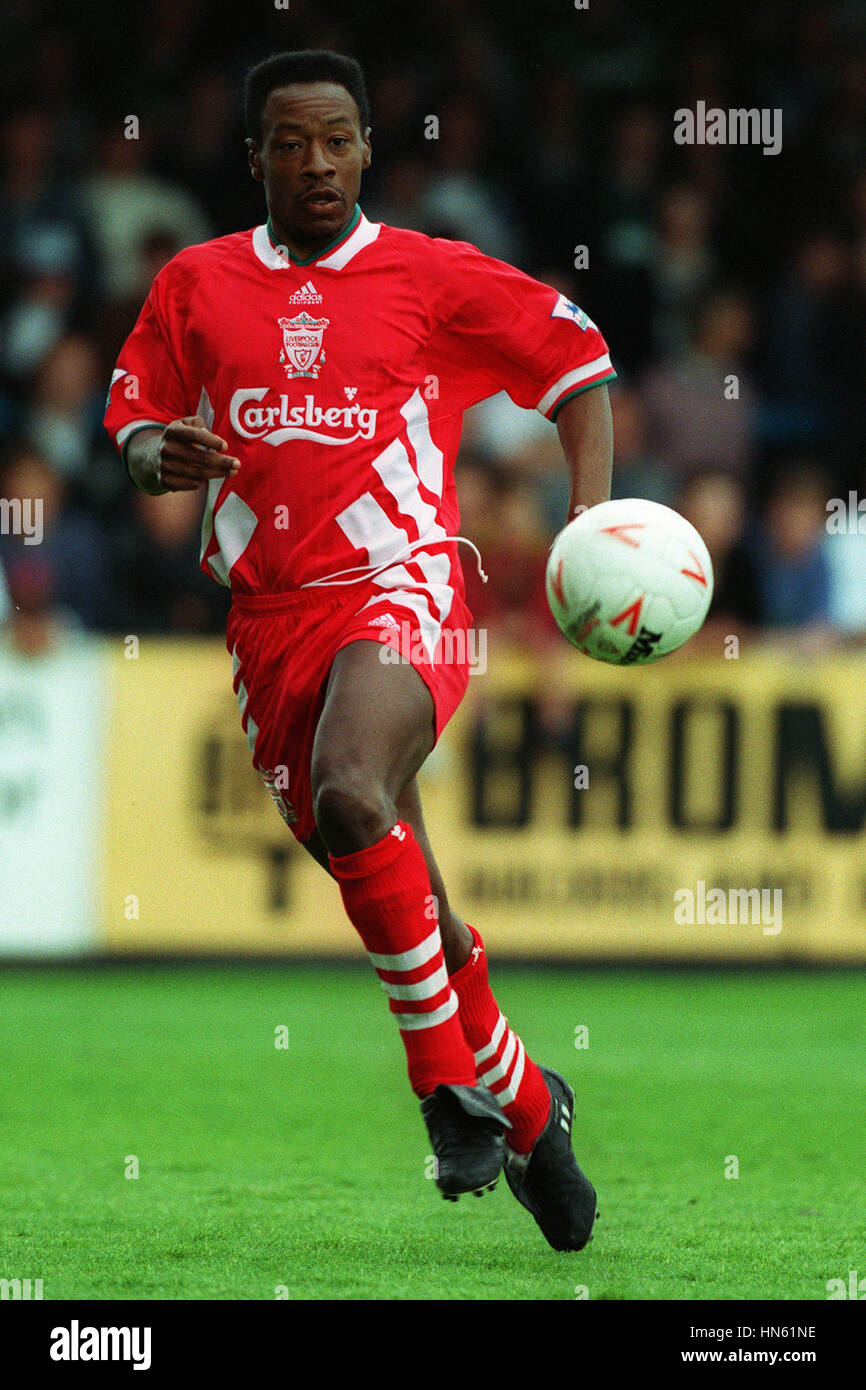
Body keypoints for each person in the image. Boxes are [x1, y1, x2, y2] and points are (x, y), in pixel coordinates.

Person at [104, 49, 616, 1251]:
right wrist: (150, 456)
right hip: (268, 622)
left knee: (348, 785)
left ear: (368, 148)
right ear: (254, 157)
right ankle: (535, 1106)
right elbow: (129, 417)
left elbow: (577, 362)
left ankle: (444, 1089)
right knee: (405, 897)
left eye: (336, 138)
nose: (316, 161)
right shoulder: (196, 282)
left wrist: (590, 518)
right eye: (289, 141)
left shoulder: (428, 275)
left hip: (406, 589)